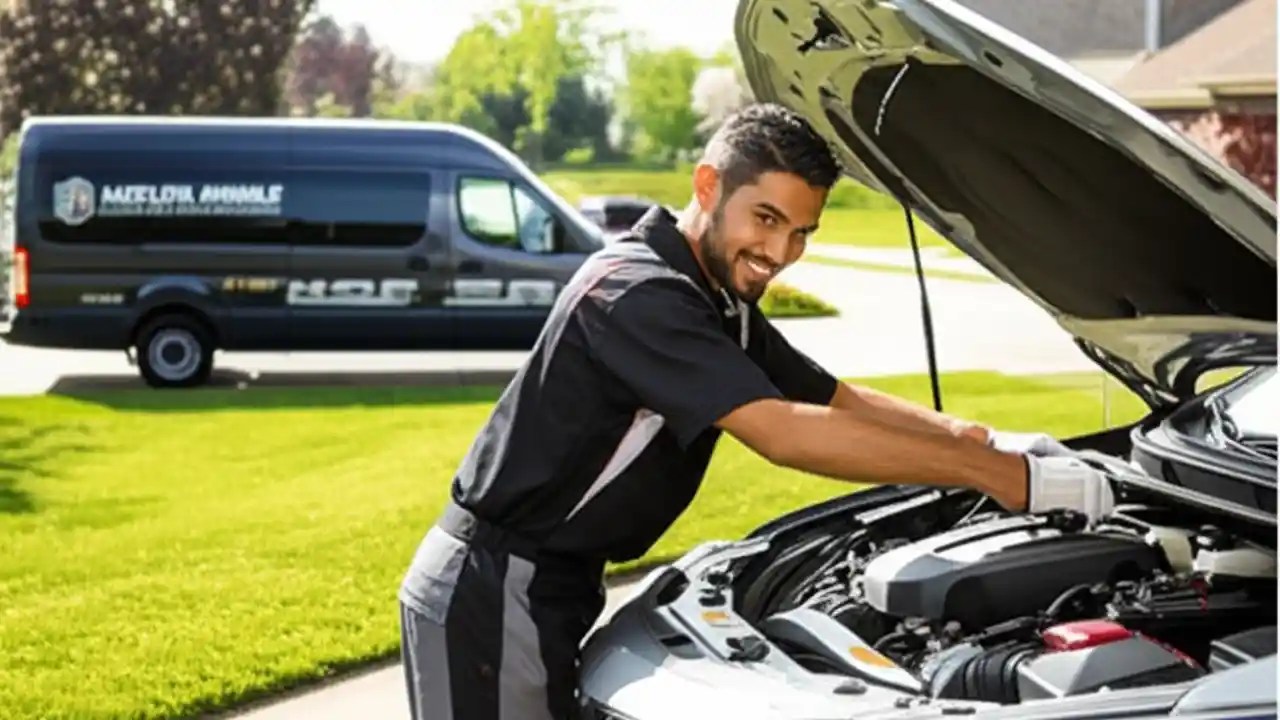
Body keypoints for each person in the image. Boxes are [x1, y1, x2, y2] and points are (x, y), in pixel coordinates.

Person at [397, 103, 1114, 720]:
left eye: (801, 232)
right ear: (708, 185)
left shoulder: (713, 298)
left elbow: (833, 398)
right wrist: (987, 472)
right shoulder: (638, 293)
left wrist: (989, 438)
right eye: (765, 219)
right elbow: (779, 430)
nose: (779, 253)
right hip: (494, 585)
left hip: (546, 582)